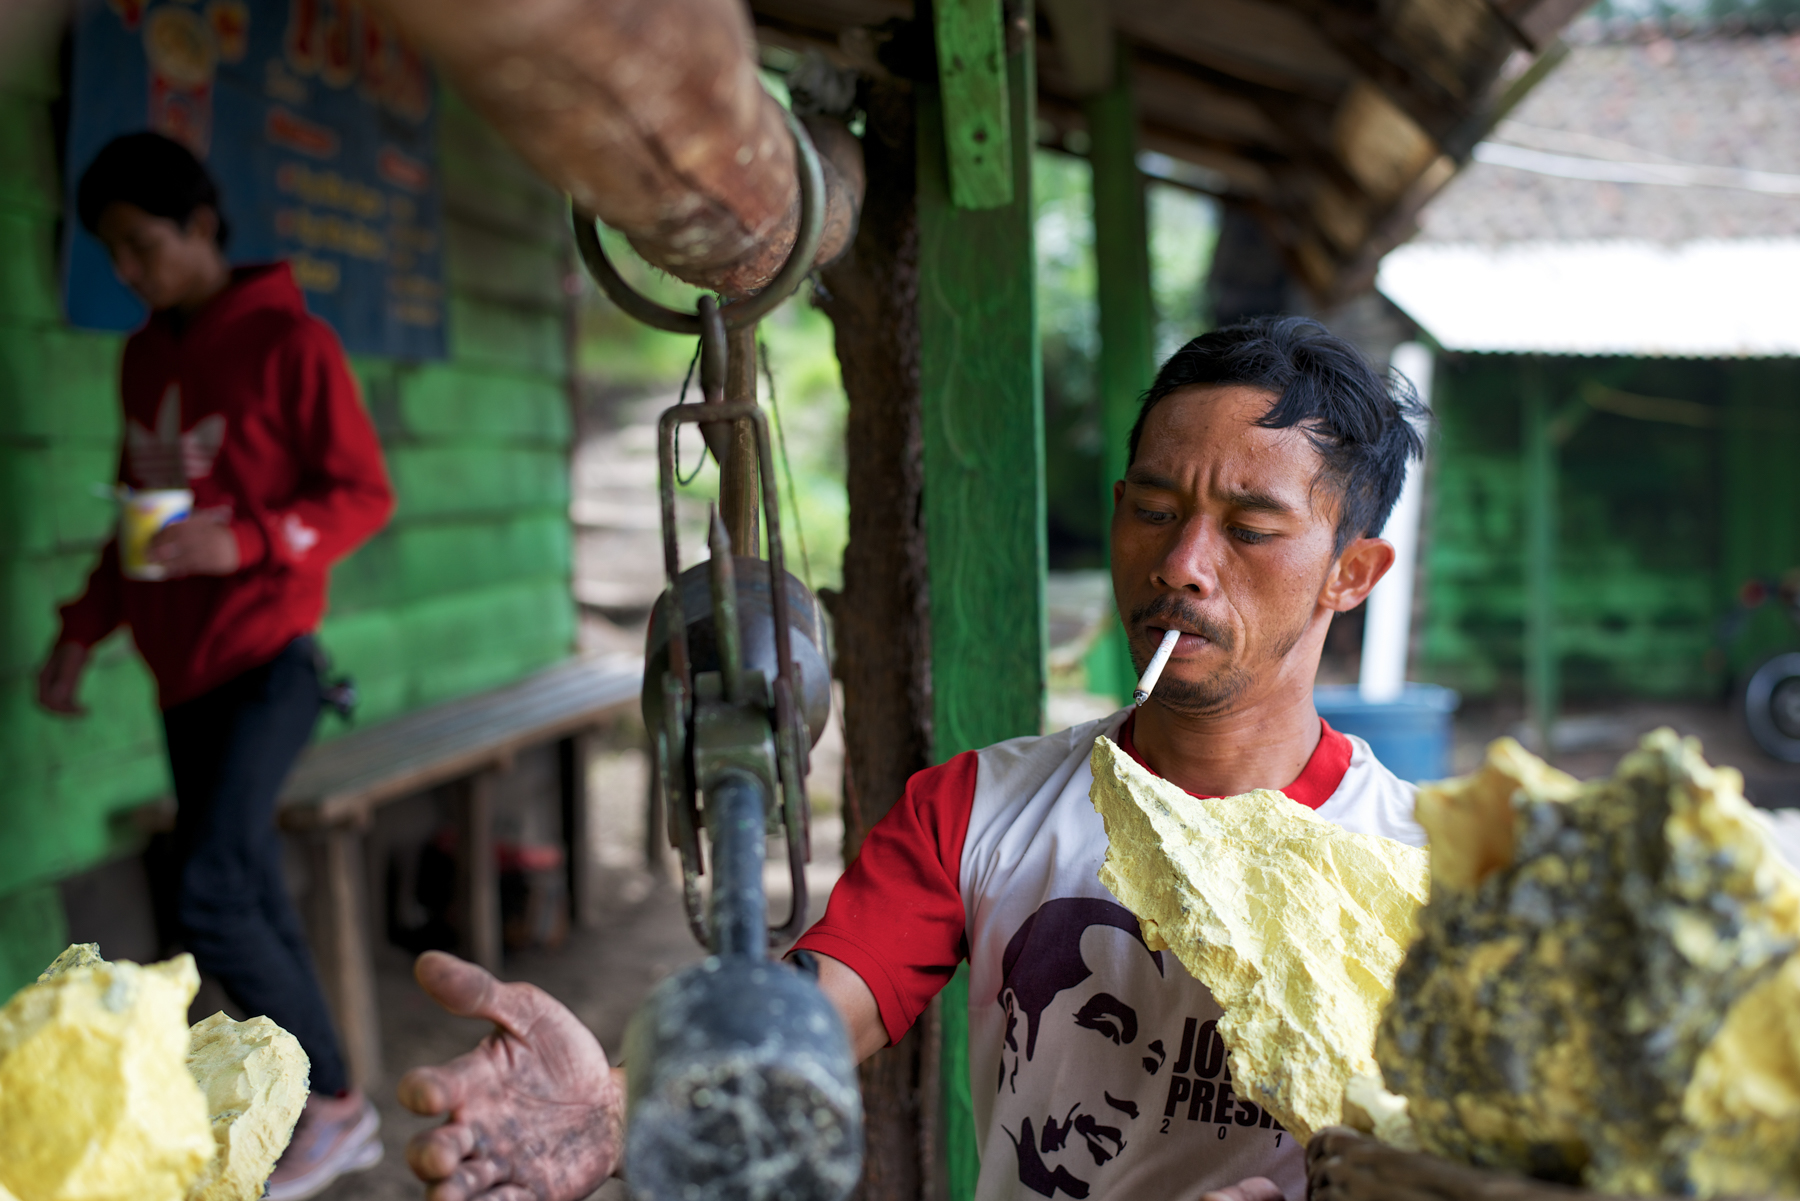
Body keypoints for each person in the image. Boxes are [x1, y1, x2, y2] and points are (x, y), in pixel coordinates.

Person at [394, 317, 1428, 1201]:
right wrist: (616, 1107)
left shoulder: (1414, 872)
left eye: (1250, 528)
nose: (1181, 565)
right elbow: (811, 1015)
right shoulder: (984, 808)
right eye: (1154, 510)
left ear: (1352, 572)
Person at [37, 131, 394, 1201]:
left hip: (269, 658)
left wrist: (251, 539)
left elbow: (361, 495)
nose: (132, 271)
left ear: (201, 225)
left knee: (209, 888)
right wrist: (78, 632)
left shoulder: (294, 343)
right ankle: (309, 1103)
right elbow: (136, 524)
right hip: (179, 674)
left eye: (145, 244)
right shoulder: (145, 359)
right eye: (115, 254)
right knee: (243, 887)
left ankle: (336, 1102)